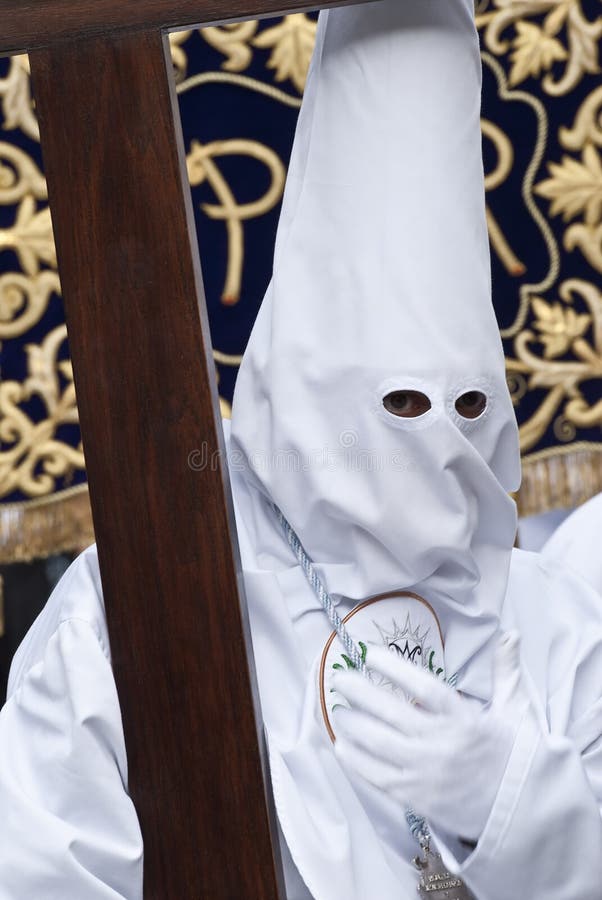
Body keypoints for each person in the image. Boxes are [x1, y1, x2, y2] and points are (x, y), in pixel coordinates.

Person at [2, 2, 602, 898]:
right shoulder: (136, 607)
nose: (438, 439)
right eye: (398, 402)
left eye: (468, 403)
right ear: (311, 377)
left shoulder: (552, 620)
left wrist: (521, 805)